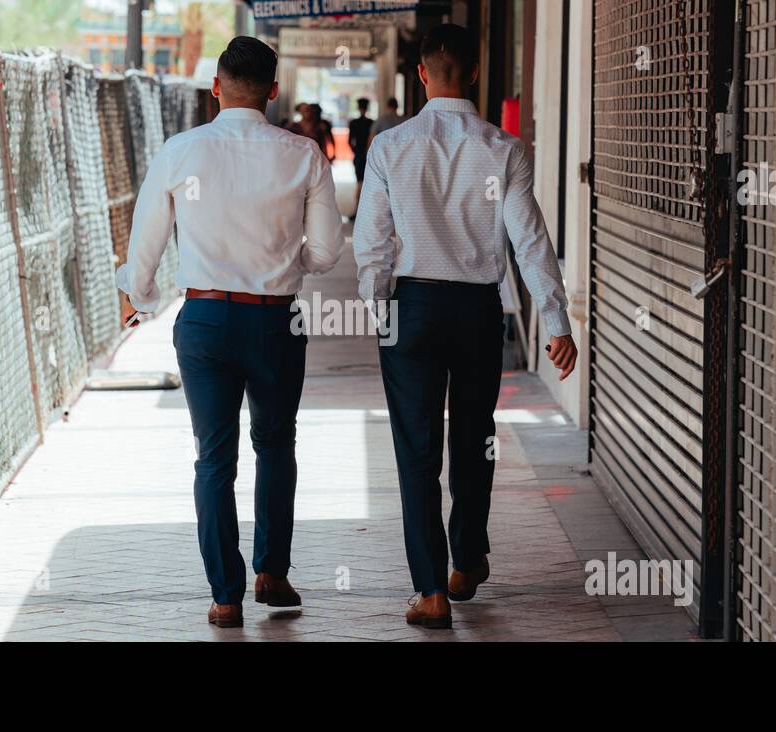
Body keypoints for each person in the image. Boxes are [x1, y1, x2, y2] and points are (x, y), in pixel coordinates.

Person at [352, 23, 577, 630]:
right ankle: (468, 558)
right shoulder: (504, 149)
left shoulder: (391, 148)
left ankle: (430, 591)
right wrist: (555, 320)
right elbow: (531, 242)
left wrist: (379, 308)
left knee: (416, 451)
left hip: (412, 309)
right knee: (475, 437)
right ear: (475, 73)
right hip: (479, 310)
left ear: (420, 74)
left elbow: (371, 240)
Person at [118, 36, 345, 629]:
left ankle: (226, 595)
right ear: (273, 92)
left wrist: (140, 299)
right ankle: (273, 571)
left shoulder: (180, 151)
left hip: (206, 321)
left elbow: (145, 247)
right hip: (276, 319)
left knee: (213, 459)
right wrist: (285, 265)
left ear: (215, 87)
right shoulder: (303, 154)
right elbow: (324, 252)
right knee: (276, 445)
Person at [347, 98, 374, 216]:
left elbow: (349, 141)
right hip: (368, 154)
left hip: (358, 155)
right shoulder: (371, 123)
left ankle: (357, 209)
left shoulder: (353, 123)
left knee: (359, 182)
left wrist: (356, 151)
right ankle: (365, 210)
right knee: (368, 183)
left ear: (358, 108)